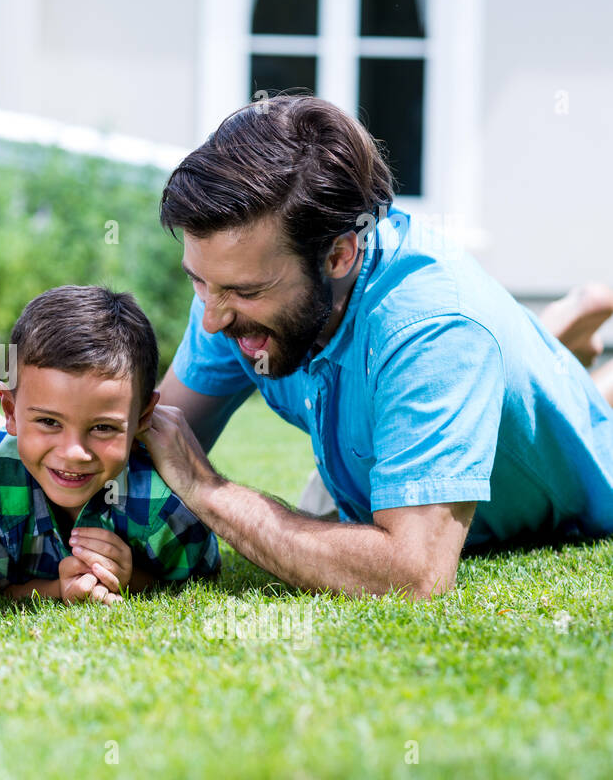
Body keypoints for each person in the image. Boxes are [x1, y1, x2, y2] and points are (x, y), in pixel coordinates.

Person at [144, 95, 613, 600]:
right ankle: (555, 332)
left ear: (339, 254)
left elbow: (415, 577)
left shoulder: (435, 331)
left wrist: (208, 489)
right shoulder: (231, 289)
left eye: (246, 292)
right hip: (366, 452)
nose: (212, 320)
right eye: (199, 282)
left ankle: (573, 358)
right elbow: (148, 445)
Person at [0, 286, 219, 603]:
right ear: (10, 411)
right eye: (48, 422)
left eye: (102, 427)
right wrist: (56, 590)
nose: (74, 452)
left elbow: (202, 576)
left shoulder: (162, 505)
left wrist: (132, 579)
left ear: (143, 418)